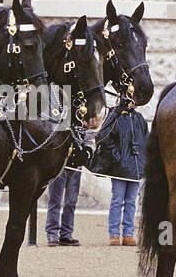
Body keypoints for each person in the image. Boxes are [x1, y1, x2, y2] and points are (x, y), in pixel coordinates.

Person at [90, 100, 148, 245]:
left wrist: (143, 161)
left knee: (130, 202)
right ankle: (114, 233)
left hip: (135, 168)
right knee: (117, 200)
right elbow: (104, 137)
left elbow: (146, 141)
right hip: (120, 168)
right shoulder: (115, 117)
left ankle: (128, 233)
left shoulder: (139, 118)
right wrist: (117, 157)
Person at [45, 167, 82, 246]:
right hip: (59, 166)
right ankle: (52, 233)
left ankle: (66, 234)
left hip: (76, 165)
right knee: (55, 200)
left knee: (71, 202)